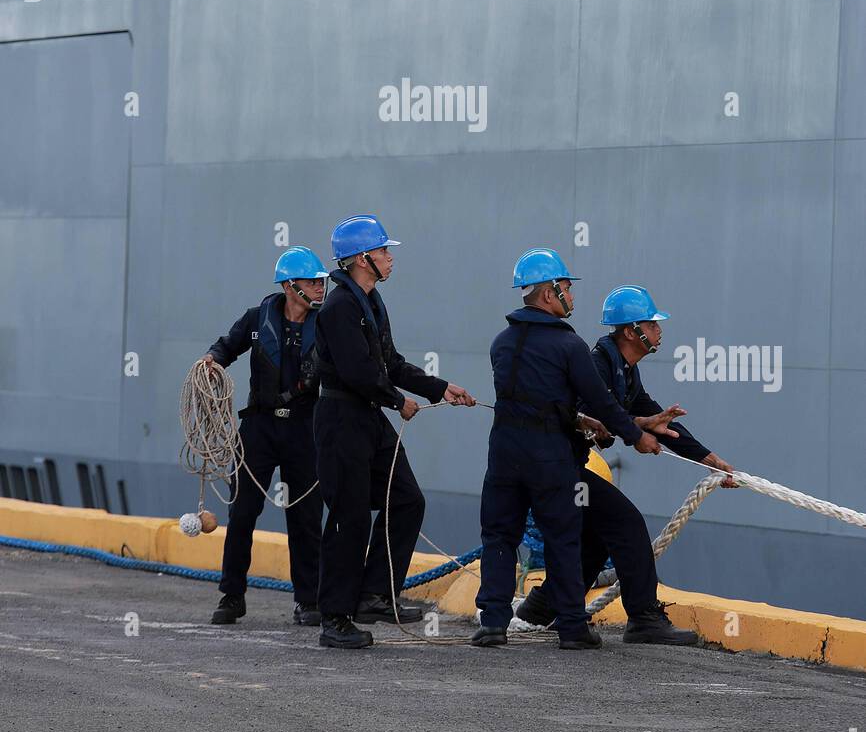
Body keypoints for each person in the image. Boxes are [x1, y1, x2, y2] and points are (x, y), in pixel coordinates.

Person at [516, 284, 735, 645]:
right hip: (553, 468)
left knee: (599, 535)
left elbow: (658, 421)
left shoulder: (624, 370)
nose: (659, 331)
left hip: (565, 468)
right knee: (627, 523)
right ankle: (643, 617)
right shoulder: (598, 365)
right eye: (652, 324)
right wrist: (637, 433)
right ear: (633, 332)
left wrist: (713, 462)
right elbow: (592, 416)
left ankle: (543, 605)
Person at [472, 250, 662, 651]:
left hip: (503, 453)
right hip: (550, 458)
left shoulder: (501, 343)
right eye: (567, 288)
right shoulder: (569, 345)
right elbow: (602, 400)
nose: (573, 297)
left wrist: (580, 420)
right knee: (563, 535)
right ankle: (573, 628)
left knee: (499, 535)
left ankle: (492, 624)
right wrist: (635, 436)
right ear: (548, 293)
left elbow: (531, 399)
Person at [314, 215, 475, 648]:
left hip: (368, 417)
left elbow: (391, 363)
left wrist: (440, 387)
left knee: (406, 500)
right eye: (385, 251)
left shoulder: (372, 302)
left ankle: (374, 595)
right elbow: (357, 371)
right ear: (363, 258)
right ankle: (335, 617)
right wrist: (397, 401)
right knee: (349, 518)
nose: (391, 258)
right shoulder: (338, 308)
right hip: (342, 420)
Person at [203, 247, 329, 628]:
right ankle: (232, 595)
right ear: (291, 287)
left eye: (322, 282)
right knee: (242, 512)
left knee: (306, 515)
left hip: (304, 429)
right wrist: (210, 362)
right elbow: (226, 347)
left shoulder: (326, 326)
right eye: (313, 282)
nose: (321, 288)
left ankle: (308, 600)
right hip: (258, 428)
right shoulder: (258, 319)